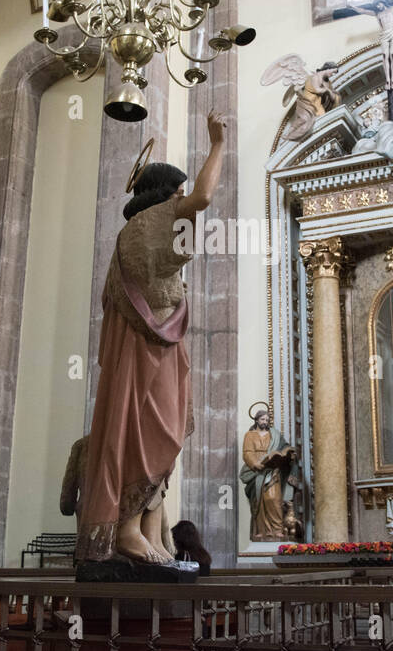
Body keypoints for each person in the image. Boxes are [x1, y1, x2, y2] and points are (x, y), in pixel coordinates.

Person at [75, 112, 228, 565]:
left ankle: (146, 529)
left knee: (161, 433)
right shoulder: (152, 220)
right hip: (151, 346)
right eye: (176, 192)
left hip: (160, 341)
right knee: (148, 430)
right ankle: (125, 528)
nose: (183, 199)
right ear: (164, 195)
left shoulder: (134, 231)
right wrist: (217, 144)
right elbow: (202, 195)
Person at [239, 404, 301, 541]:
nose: (265, 422)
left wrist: (288, 453)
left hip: (272, 471)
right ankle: (261, 531)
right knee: (259, 501)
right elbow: (247, 453)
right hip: (256, 471)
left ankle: (277, 529)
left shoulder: (274, 434)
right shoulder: (250, 435)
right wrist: (256, 464)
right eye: (262, 420)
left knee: (274, 499)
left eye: (267, 420)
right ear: (256, 420)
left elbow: (284, 446)